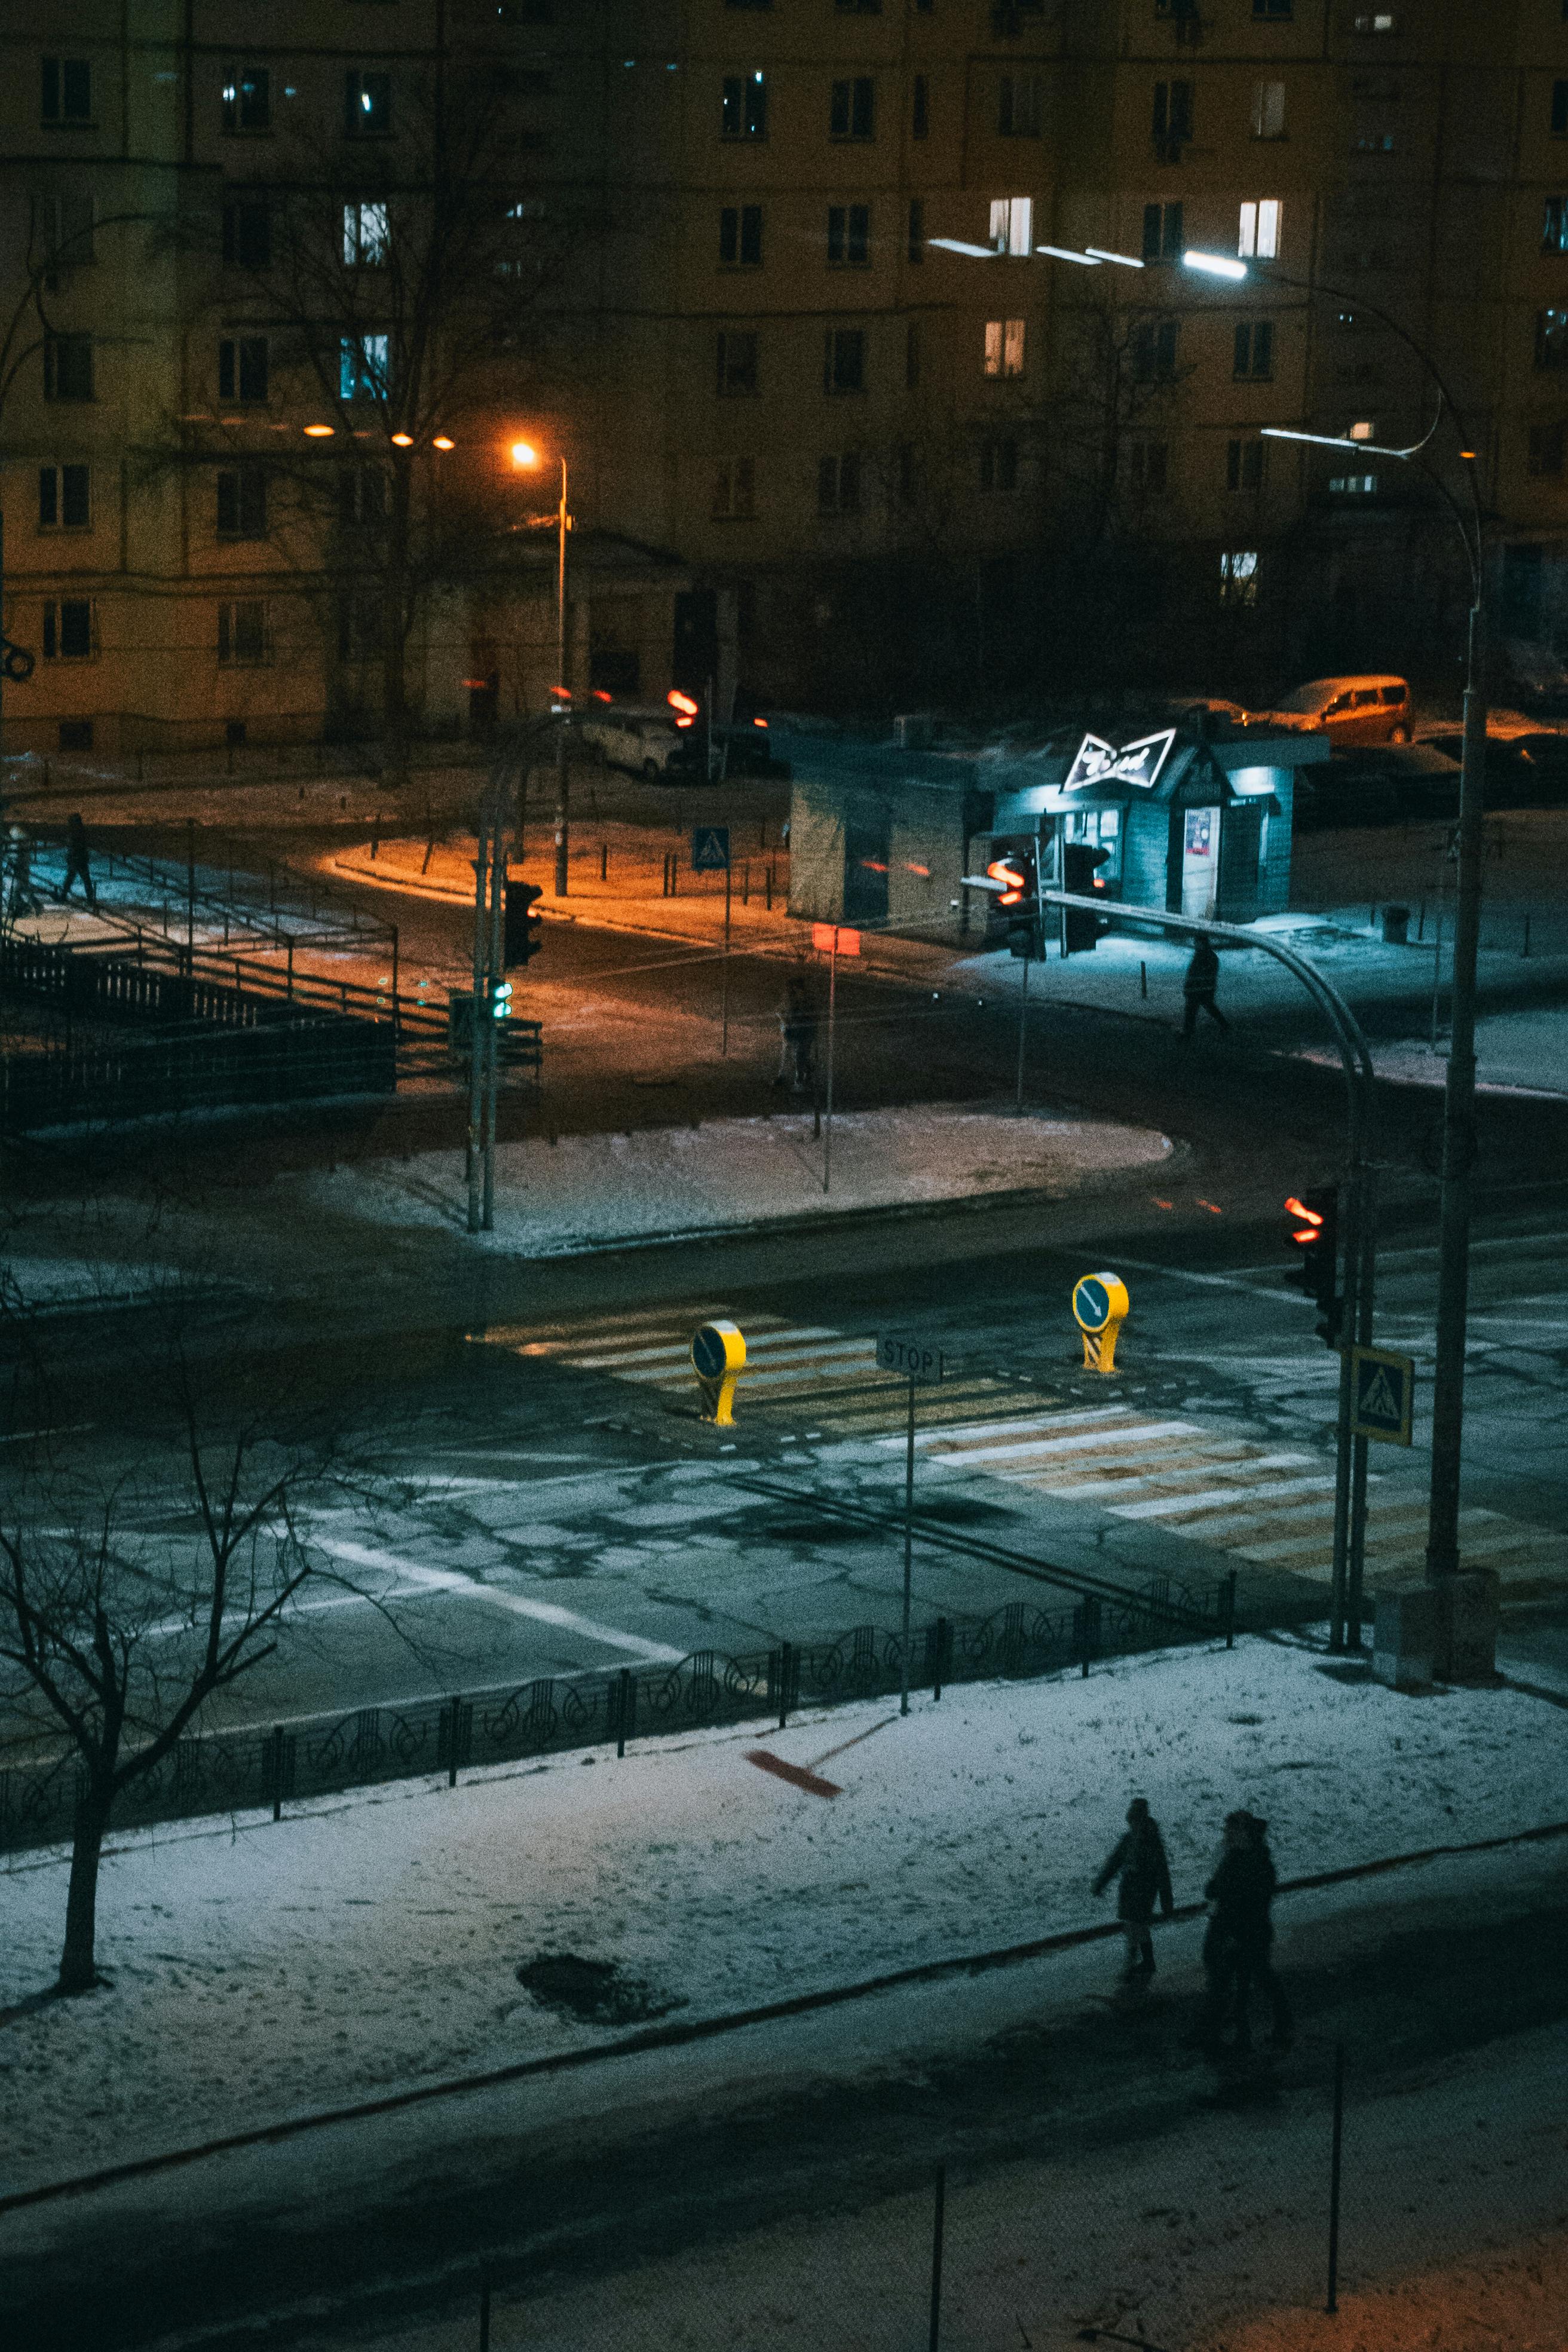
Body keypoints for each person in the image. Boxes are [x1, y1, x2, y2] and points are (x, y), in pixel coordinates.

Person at [1194, 1809, 1292, 2053]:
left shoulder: (1254, 1863)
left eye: (1229, 1830)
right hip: (1234, 1931)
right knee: (1237, 1981)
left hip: (1246, 1934)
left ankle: (1233, 2033)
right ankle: (1229, 2033)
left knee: (1248, 1980)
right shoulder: (1239, 1858)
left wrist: (1236, 1934)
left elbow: (1251, 1904)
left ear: (1242, 1833)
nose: (1225, 1834)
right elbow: (1217, 1890)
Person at [1092, 1796, 1175, 1980]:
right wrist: (1101, 1883)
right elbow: (1115, 1862)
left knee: (1132, 1927)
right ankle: (1147, 1962)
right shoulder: (1139, 1839)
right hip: (1133, 1892)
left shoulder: (1147, 1841)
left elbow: (1161, 1872)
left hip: (1141, 1893)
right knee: (1138, 1927)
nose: (1131, 1822)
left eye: (1133, 1818)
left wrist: (1167, 1903)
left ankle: (1130, 1967)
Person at [1180, 933, 1229, 1039]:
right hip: (1200, 989)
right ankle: (1224, 1025)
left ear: (1202, 943)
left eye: (1197, 942)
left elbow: (1198, 974)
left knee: (1193, 1010)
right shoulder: (1204, 955)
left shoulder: (1206, 956)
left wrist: (1191, 986)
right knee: (1204, 1008)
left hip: (1200, 989)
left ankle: (1188, 1032)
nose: (1195, 944)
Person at [60, 812, 97, 908]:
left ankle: (64, 896)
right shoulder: (81, 831)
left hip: (77, 859)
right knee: (84, 879)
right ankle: (90, 899)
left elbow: (73, 846)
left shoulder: (75, 833)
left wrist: (71, 856)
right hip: (81, 859)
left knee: (72, 878)